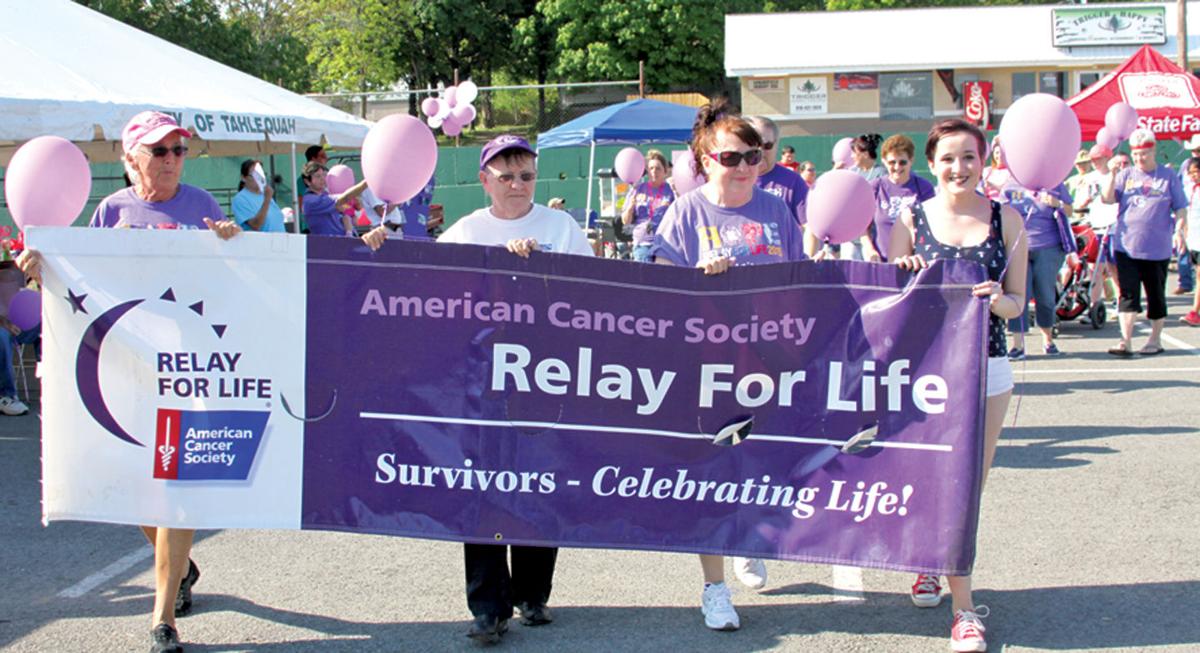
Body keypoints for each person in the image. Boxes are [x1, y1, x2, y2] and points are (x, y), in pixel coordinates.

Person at [20, 110, 243, 653]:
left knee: (174, 491)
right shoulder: (111, 211)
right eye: (159, 151)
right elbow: (85, 283)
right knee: (139, 491)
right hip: (126, 369)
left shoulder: (203, 207)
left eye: (178, 150)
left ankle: (162, 620)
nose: (171, 160)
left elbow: (237, 280)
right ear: (130, 159)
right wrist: (40, 267)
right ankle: (182, 566)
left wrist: (232, 244)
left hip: (190, 369)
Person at [652, 99, 806, 632]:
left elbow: (798, 284)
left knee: (766, 463)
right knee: (713, 473)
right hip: (705, 365)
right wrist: (696, 278)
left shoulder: (776, 211)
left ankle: (751, 533)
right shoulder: (685, 213)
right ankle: (714, 587)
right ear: (705, 158)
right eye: (731, 157)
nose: (743, 168)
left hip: (768, 360)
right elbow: (656, 294)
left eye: (753, 157)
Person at [432, 134, 592, 645]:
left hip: (546, 378)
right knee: (480, 492)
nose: (519, 185)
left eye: (526, 175)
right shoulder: (463, 232)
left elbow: (593, 292)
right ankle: (487, 606)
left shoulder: (560, 227)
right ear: (485, 181)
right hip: (480, 382)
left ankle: (532, 594)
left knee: (540, 484)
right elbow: (427, 294)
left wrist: (540, 272)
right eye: (507, 176)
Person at [889, 118, 1027, 653]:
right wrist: (903, 270)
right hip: (925, 372)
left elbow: (1019, 306)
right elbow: (888, 301)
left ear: (983, 160)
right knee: (930, 478)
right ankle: (951, 590)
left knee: (969, 486)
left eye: (968, 157)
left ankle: (957, 595)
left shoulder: (1006, 218)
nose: (959, 168)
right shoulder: (909, 218)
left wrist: (997, 300)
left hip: (988, 367)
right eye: (948, 158)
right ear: (931, 164)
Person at [1101, 128, 1189, 356]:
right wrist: (1110, 175)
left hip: (1156, 248)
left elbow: (1180, 207)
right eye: (1137, 154)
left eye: (1145, 154)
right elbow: (1108, 198)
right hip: (1126, 245)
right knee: (1128, 294)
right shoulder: (1126, 174)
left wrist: (1180, 229)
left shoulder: (1167, 176)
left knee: (1155, 294)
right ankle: (1125, 340)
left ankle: (1155, 339)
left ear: (1154, 151)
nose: (1140, 159)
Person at [997, 176, 1073, 359]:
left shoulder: (1054, 182)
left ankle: (1048, 339)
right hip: (1018, 247)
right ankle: (1017, 344)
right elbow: (999, 213)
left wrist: (1057, 204)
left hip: (1048, 247)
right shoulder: (1010, 184)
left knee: (1045, 295)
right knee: (1017, 294)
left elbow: (1070, 210)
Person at [861, 134, 935, 262]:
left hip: (915, 263)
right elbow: (862, 227)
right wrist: (870, 250)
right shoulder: (875, 187)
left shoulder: (923, 188)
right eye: (892, 162)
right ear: (884, 161)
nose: (897, 167)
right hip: (881, 263)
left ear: (911, 160)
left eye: (902, 162)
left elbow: (933, 226)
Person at [1076, 145, 1119, 310]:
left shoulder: (1116, 176)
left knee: (1114, 268)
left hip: (1113, 226)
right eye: (1092, 160)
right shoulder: (1088, 179)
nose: (1094, 162)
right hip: (1095, 227)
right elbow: (1079, 204)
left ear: (1107, 158)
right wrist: (1084, 203)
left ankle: (1120, 302)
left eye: (1098, 159)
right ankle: (1094, 305)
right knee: (1095, 268)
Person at [620, 149, 675, 262]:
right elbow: (626, 221)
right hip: (643, 244)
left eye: (658, 168)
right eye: (651, 168)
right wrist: (631, 206)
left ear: (665, 171)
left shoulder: (670, 191)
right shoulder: (637, 189)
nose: (654, 171)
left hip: (665, 244)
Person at [0, 263, 35, 416]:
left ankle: (60, 386)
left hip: (15, 317)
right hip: (3, 324)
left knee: (48, 322)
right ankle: (5, 396)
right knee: (1, 334)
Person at [300, 161, 370, 237]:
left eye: (324, 175)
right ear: (307, 181)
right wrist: (366, 183)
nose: (322, 178)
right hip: (330, 244)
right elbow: (343, 198)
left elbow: (344, 208)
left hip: (344, 240)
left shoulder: (326, 194)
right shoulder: (311, 201)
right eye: (317, 176)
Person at [231, 159, 287, 232]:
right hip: (262, 242)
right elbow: (255, 225)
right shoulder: (240, 199)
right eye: (255, 175)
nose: (259, 179)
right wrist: (267, 199)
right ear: (243, 178)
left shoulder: (265, 194)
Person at [1180, 157, 1200, 326]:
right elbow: (1184, 213)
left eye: (1197, 172)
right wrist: (1183, 235)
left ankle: (1194, 311)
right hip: (1193, 239)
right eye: (1191, 173)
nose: (1194, 176)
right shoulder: (1189, 190)